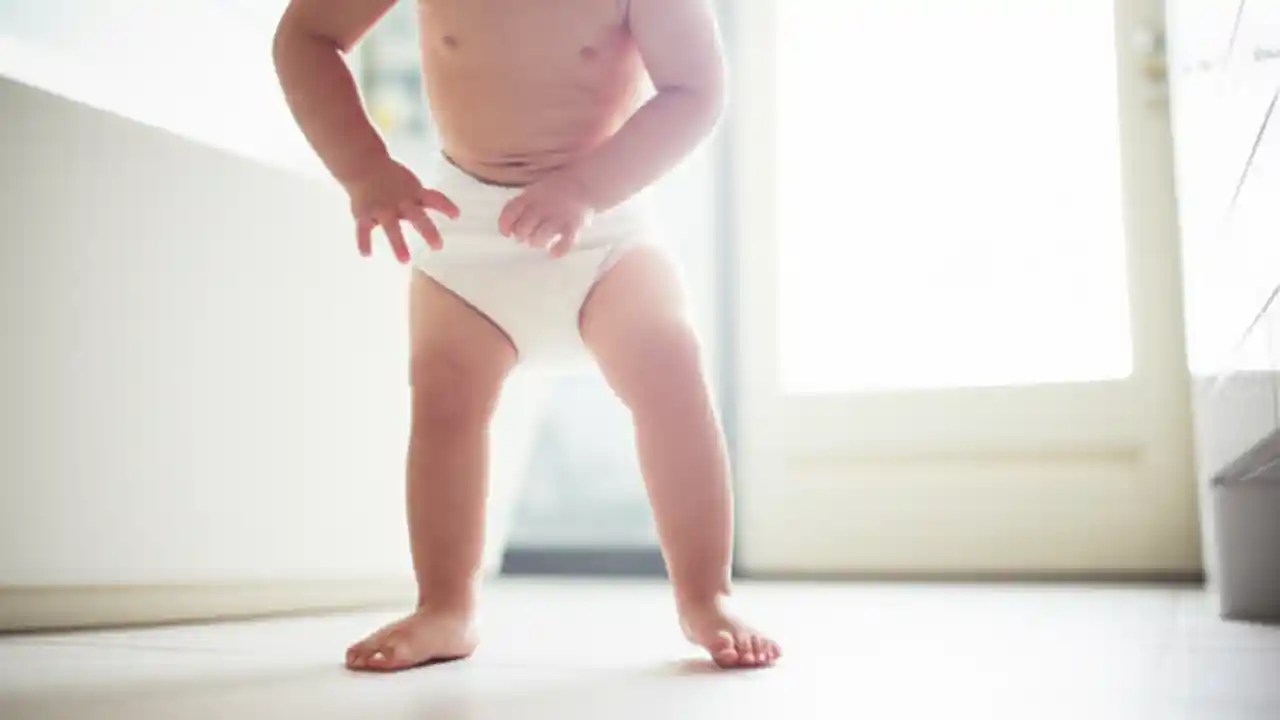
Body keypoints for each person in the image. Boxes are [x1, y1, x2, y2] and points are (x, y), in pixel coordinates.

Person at [273, 0, 779, 671]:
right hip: (467, 226)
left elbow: (696, 89)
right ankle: (446, 605)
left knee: (669, 363)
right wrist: (364, 170)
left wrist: (585, 187)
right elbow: (305, 37)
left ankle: (705, 594)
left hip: (601, 223)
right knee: (445, 398)